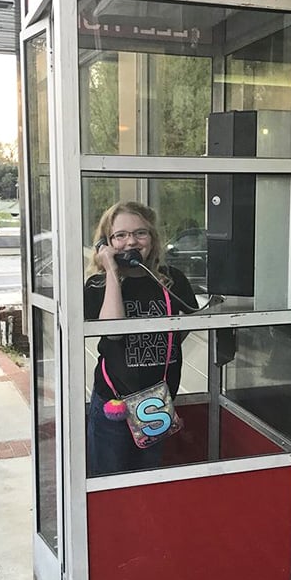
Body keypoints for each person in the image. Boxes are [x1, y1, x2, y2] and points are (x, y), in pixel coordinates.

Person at [84, 201, 197, 477]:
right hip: (115, 404)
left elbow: (191, 320)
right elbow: (113, 330)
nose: (130, 242)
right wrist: (111, 271)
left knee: (149, 480)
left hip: (157, 404)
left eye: (140, 233)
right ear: (106, 243)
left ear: (152, 238)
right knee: (110, 483)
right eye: (120, 235)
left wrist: (162, 346)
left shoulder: (172, 280)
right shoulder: (99, 285)